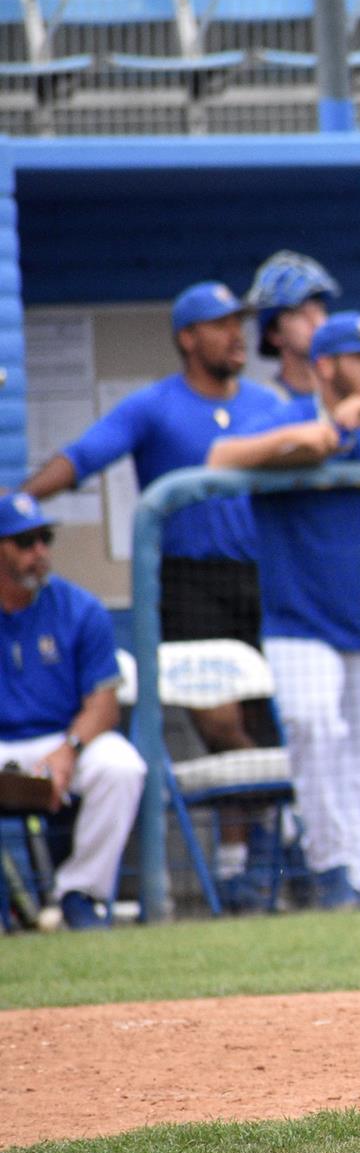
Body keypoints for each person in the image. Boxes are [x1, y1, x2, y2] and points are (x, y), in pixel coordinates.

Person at [13, 281, 286, 906]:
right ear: (188, 337)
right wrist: (20, 503)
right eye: (219, 324)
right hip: (189, 579)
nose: (234, 334)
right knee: (220, 721)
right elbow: (83, 457)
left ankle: (252, 860)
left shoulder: (267, 404)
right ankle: (253, 851)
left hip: (264, 577)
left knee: (268, 722)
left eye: (238, 322)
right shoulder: (155, 405)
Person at [208, 313, 360, 908]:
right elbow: (220, 457)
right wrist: (298, 445)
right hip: (299, 618)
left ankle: (355, 869)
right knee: (316, 728)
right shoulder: (287, 414)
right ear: (323, 365)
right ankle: (329, 866)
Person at [0, 494, 148, 931]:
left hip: (62, 738)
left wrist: (69, 750)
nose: (39, 552)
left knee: (121, 767)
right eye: (24, 541)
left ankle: (80, 894)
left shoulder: (80, 608)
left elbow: (103, 706)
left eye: (44, 538)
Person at [244, 251, 342, 402]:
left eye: (319, 310)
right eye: (300, 313)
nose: (316, 322)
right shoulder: (264, 402)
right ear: (274, 333)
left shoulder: (348, 392)